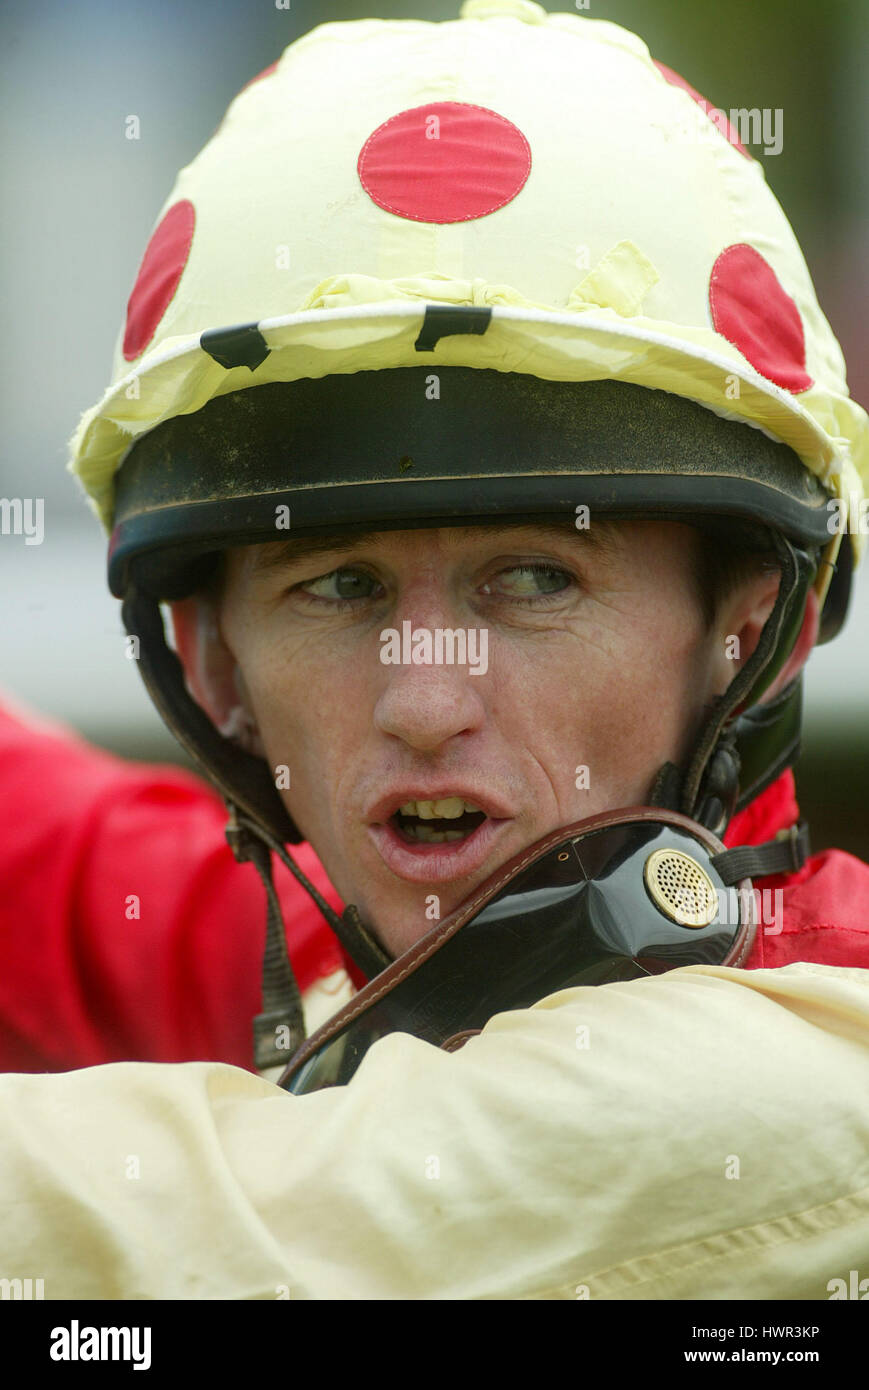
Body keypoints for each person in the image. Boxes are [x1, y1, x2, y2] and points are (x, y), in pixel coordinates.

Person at [1, 1, 867, 1299]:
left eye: (535, 578)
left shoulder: (811, 1072)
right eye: (337, 586)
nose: (420, 699)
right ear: (212, 660)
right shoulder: (345, 948)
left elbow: (143, 1221)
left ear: (754, 629)